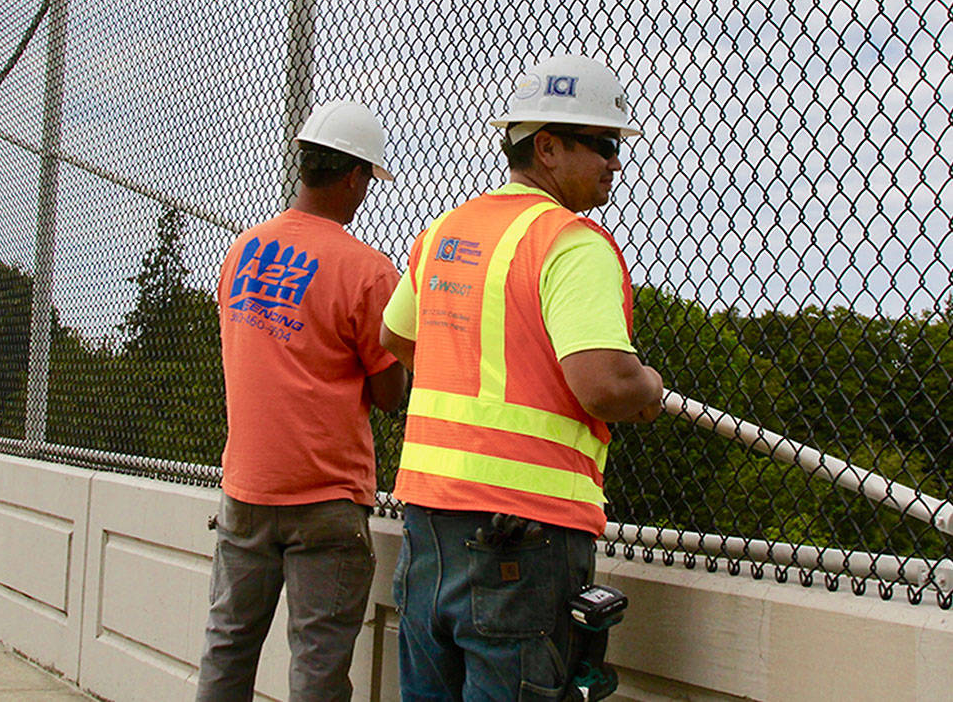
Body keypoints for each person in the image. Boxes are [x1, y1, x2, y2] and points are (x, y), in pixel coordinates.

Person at [379, 55, 664, 700]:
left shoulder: (446, 230)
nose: (615, 161)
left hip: (429, 522)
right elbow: (604, 384)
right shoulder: (572, 242)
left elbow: (395, 338)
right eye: (603, 143)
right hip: (525, 533)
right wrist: (647, 386)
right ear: (547, 147)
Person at [196, 100, 409, 702]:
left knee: (228, 645)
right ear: (354, 176)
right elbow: (389, 394)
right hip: (326, 496)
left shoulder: (243, 250)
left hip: (247, 487)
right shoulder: (368, 272)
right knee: (318, 666)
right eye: (367, 179)